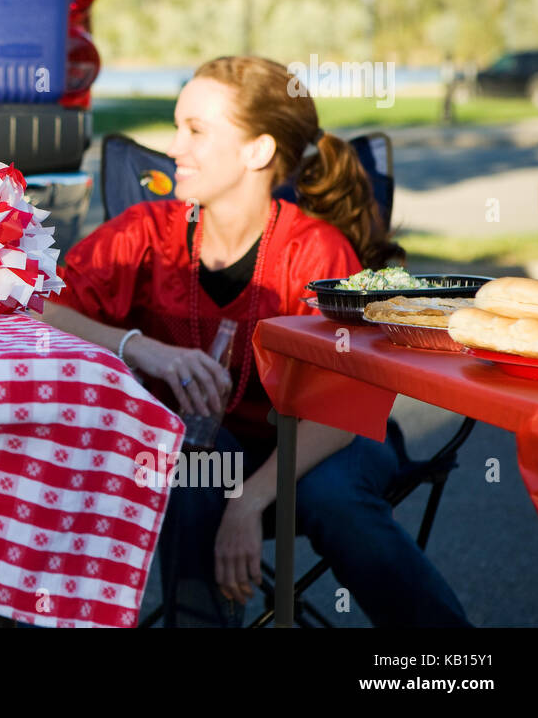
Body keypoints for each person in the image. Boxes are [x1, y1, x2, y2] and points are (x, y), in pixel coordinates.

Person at [41, 56, 471, 628]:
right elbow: (37, 308)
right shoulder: (146, 232)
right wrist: (137, 345)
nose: (174, 148)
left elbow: (342, 413)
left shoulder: (313, 252)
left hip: (323, 442)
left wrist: (248, 499)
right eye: (176, 126)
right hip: (203, 446)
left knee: (331, 497)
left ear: (258, 151)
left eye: (196, 130)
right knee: (191, 465)